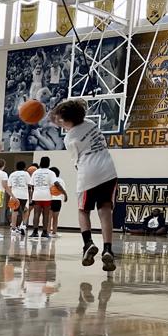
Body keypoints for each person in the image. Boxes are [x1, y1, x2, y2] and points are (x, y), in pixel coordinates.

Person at [52, 99, 118, 272]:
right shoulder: (90, 123)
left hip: (89, 173)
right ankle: (108, 248)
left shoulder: (69, 138)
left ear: (68, 121)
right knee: (105, 210)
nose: (59, 122)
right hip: (109, 171)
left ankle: (88, 243)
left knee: (83, 210)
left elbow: (76, 162)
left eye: (61, 120)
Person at [29, 156, 55, 240]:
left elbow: (31, 185)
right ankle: (44, 232)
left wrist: (33, 194)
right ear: (48, 163)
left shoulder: (35, 172)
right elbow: (54, 184)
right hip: (46, 195)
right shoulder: (50, 172)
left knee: (36, 213)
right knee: (46, 214)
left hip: (36, 195)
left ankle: (35, 232)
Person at [7, 161, 31, 236]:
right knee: (25, 210)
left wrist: (10, 195)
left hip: (14, 195)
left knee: (14, 212)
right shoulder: (26, 174)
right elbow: (29, 185)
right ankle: (23, 225)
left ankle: (13, 228)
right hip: (23, 195)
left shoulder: (12, 174)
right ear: (24, 167)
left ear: (16, 167)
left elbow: (9, 186)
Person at [50, 166, 67, 237]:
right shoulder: (61, 181)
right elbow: (63, 190)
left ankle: (47, 232)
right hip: (58, 200)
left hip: (50, 199)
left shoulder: (50, 180)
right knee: (55, 217)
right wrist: (65, 196)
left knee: (48, 218)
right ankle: (54, 232)